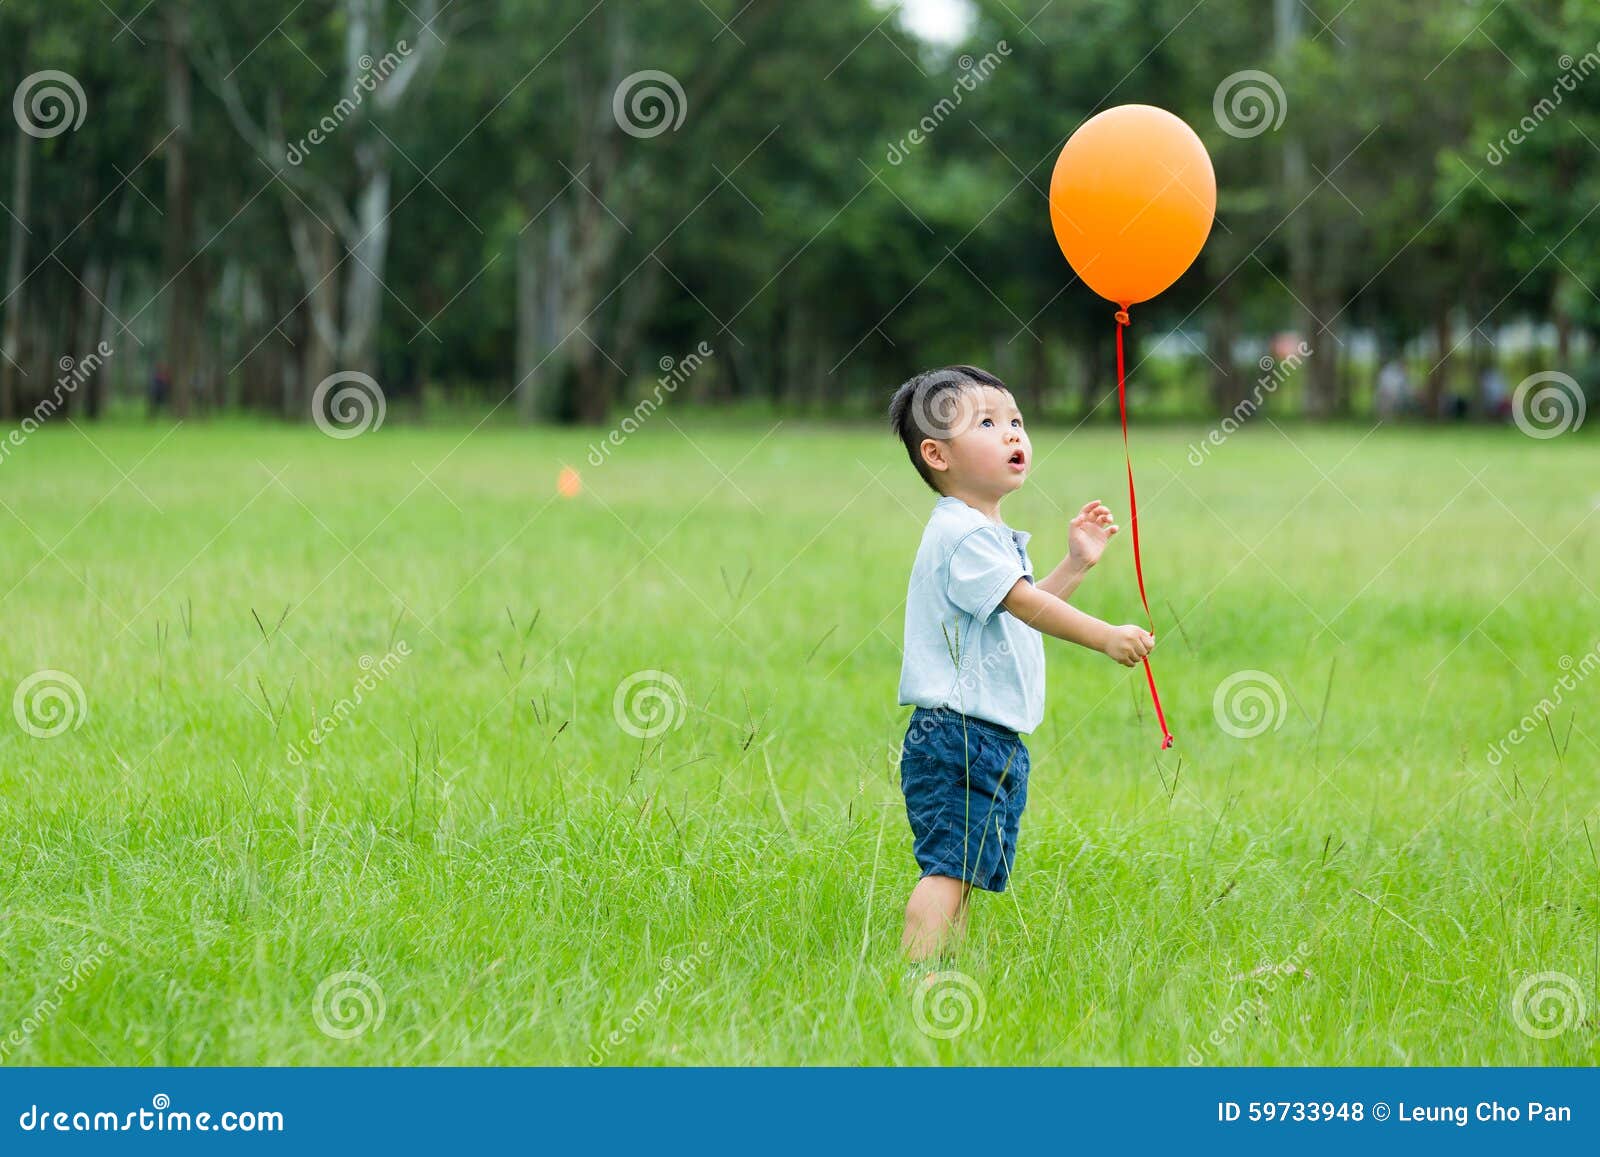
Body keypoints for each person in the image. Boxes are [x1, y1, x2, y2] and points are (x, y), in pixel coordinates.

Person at [887, 365, 1154, 965]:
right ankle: (917, 979)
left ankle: (940, 967)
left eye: (1015, 421)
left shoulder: (987, 534)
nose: (1013, 434)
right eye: (987, 423)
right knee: (948, 870)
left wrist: (1076, 564)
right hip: (957, 736)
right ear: (937, 453)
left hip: (988, 737)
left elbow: (1018, 614)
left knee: (965, 869)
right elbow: (1027, 604)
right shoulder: (962, 535)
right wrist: (1106, 636)